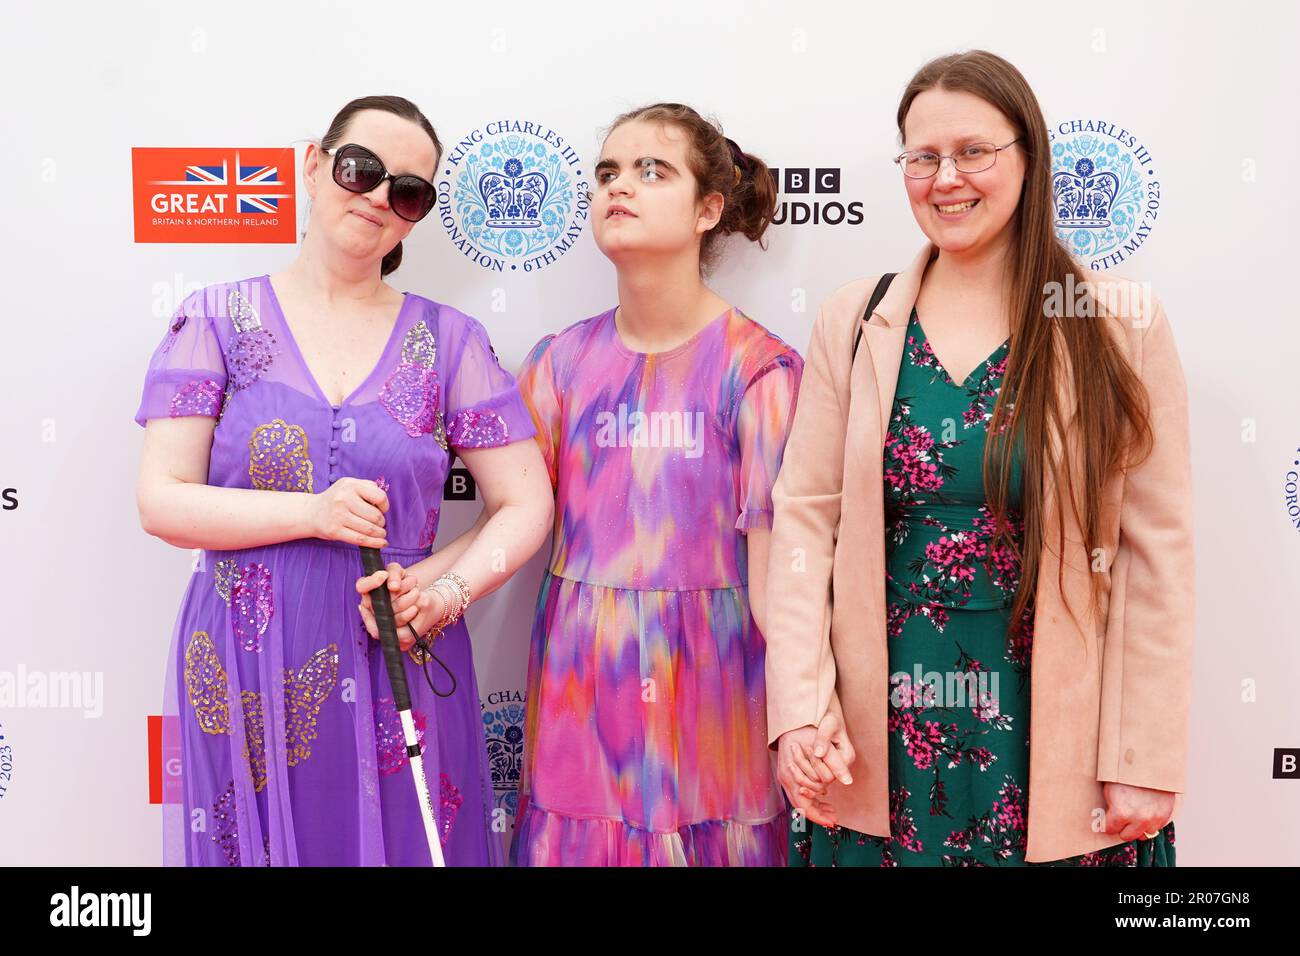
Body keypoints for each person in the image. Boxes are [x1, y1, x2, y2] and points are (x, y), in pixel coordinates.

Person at [765, 50, 1194, 866]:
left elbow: (1156, 553)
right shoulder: (852, 319)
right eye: (922, 157)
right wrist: (797, 709)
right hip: (872, 730)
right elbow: (803, 526)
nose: (945, 178)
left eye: (973, 151)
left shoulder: (1116, 323)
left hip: (1057, 731)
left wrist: (1143, 754)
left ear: (1027, 156)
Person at [135, 95, 552, 865]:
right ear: (314, 165)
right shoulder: (216, 320)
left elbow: (526, 502)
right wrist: (315, 512)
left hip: (397, 650)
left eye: (409, 191)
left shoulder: (449, 340)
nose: (378, 199)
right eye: (361, 170)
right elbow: (162, 501)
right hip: (248, 656)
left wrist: (440, 593)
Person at [508, 103, 803, 866]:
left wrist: (808, 713)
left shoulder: (761, 371)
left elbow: (781, 583)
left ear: (710, 209)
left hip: (716, 682)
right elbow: (515, 519)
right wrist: (431, 590)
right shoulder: (557, 365)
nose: (620, 187)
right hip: (582, 675)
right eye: (607, 171)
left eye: (651, 170)